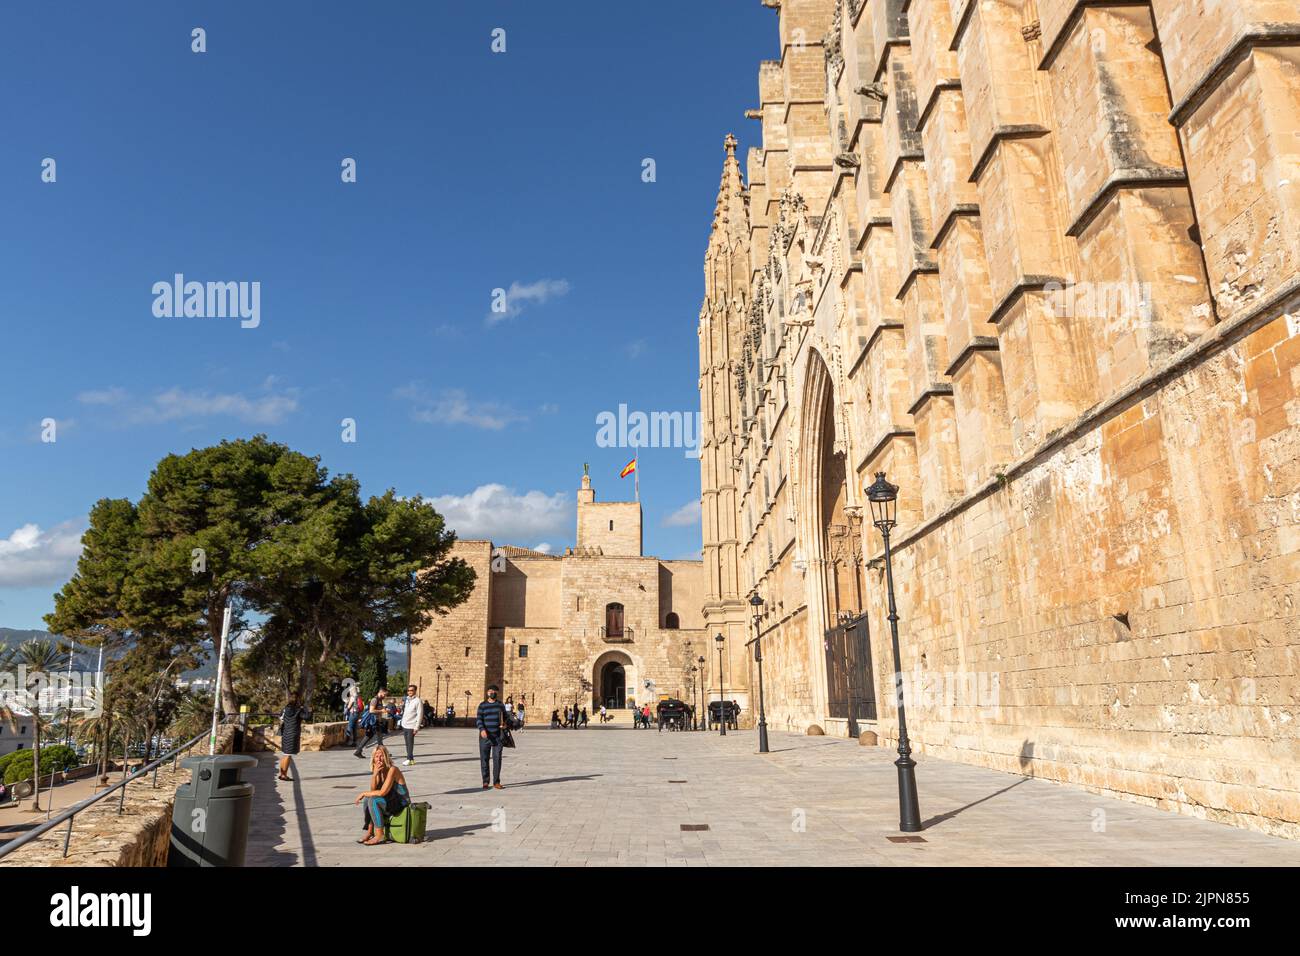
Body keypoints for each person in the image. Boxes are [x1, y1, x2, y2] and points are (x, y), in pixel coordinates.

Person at [354, 745, 409, 846]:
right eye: (376, 756)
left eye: (381, 756)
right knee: (368, 799)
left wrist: (362, 793)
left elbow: (382, 793)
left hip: (401, 801)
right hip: (390, 799)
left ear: (386, 756)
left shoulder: (393, 770)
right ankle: (370, 832)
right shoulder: (380, 771)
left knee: (373, 800)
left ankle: (380, 835)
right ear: (373, 759)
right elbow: (373, 791)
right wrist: (375, 774)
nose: (379, 759)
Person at [476, 684, 509, 790]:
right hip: (485, 737)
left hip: (497, 736)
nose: (491, 693)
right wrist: (482, 729)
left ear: (496, 693)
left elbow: (506, 717)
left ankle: (496, 782)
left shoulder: (500, 705)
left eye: (493, 691)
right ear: (487, 693)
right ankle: (485, 781)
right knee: (484, 759)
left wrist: (504, 724)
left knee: (497, 759)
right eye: (490, 691)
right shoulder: (482, 705)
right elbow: (479, 719)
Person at [278, 694, 310, 781]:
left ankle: (282, 774)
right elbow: (307, 717)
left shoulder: (285, 709)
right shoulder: (298, 710)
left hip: (285, 733)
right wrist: (306, 709)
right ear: (297, 700)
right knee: (288, 755)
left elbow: (280, 717)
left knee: (285, 754)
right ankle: (284, 775)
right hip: (293, 734)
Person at [352, 688, 388, 758]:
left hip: (376, 721)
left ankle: (358, 751)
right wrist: (382, 711)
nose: (385, 696)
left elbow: (379, 710)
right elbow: (371, 710)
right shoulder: (375, 700)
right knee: (379, 737)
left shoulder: (380, 700)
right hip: (373, 722)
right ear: (381, 692)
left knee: (368, 736)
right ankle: (384, 754)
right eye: (385, 694)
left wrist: (383, 712)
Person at [399, 684, 422, 766]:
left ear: (415, 691)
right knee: (406, 743)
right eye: (408, 690)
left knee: (410, 743)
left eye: (411, 690)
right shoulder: (407, 700)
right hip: (405, 724)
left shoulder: (418, 701)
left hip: (412, 725)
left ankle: (409, 759)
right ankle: (411, 759)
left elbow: (420, 714)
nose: (409, 692)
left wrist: (416, 727)